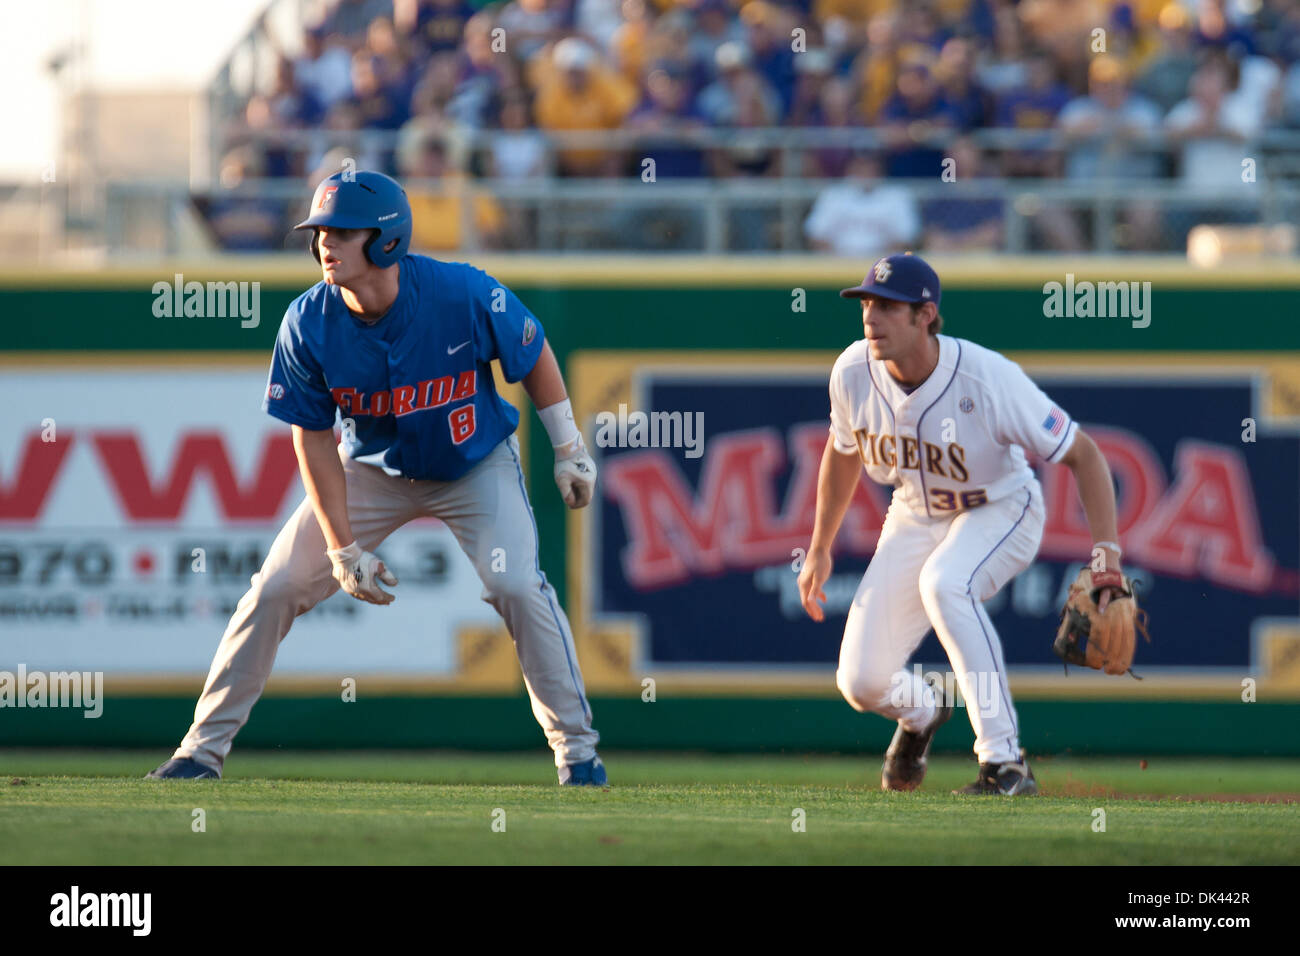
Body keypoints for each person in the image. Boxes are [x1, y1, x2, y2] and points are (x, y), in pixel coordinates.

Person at [147, 170, 607, 786]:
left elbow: (533, 352)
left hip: (473, 464)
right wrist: (342, 549)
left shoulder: (459, 291)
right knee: (275, 587)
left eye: (341, 232)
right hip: (372, 471)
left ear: (387, 238)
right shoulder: (307, 322)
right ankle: (199, 754)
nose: (324, 245)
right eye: (319, 233)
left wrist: (569, 447)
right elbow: (311, 436)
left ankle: (578, 756)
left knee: (517, 585)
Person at [797, 253, 1127, 796]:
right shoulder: (853, 371)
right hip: (914, 514)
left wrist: (1107, 556)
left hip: (999, 507)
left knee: (946, 583)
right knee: (860, 681)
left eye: (887, 306)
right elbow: (843, 450)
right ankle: (923, 714)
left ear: (926, 315)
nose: (870, 316)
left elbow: (1084, 454)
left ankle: (1005, 762)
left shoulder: (986, 376)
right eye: (866, 303)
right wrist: (819, 546)